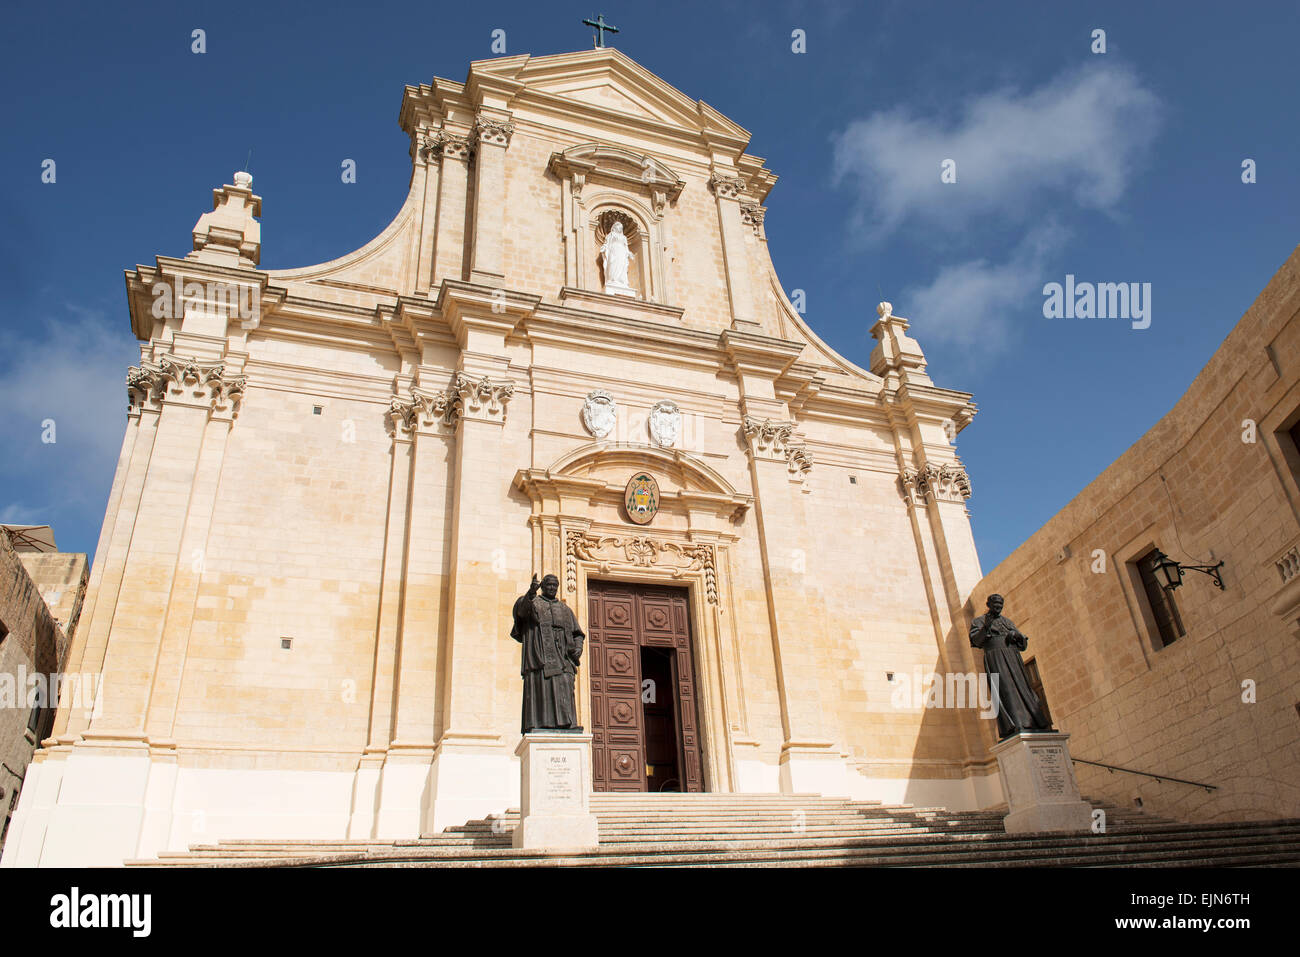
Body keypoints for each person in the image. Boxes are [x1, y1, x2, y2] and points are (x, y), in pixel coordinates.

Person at [969, 594, 1054, 739]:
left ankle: (1034, 721)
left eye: (1000, 605)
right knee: (1006, 690)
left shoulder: (1007, 621)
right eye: (995, 604)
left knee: (1023, 688)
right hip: (996, 659)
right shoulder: (979, 621)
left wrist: (1015, 635)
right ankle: (1015, 724)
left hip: (1013, 658)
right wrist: (987, 627)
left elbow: (1023, 643)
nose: (998, 607)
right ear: (988, 604)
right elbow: (976, 640)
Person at [511, 573, 585, 733]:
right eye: (548, 585)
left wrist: (578, 648)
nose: (552, 588)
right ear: (542, 587)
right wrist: (531, 592)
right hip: (542, 654)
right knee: (543, 686)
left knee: (565, 683)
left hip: (564, 655)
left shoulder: (565, 609)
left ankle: (567, 724)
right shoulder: (533, 603)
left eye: (554, 585)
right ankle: (543, 724)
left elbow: (578, 633)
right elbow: (521, 613)